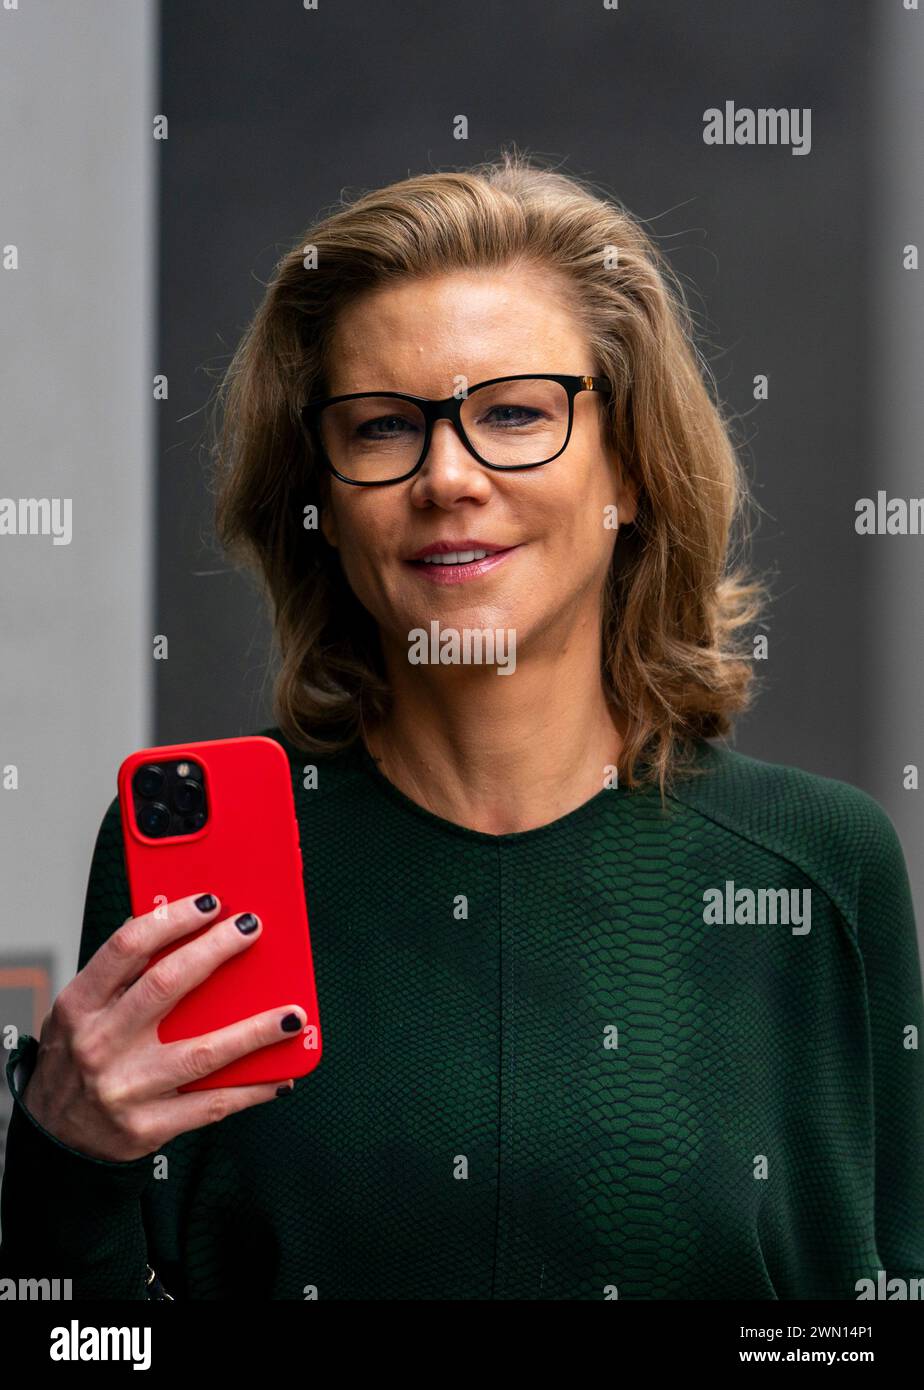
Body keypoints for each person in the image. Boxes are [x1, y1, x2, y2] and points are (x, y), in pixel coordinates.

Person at [2, 150, 923, 1300]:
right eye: (384, 428)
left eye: (515, 413)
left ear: (629, 470)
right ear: (323, 501)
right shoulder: (197, 871)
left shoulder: (820, 866)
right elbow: (78, 1338)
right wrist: (65, 1153)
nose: (448, 475)